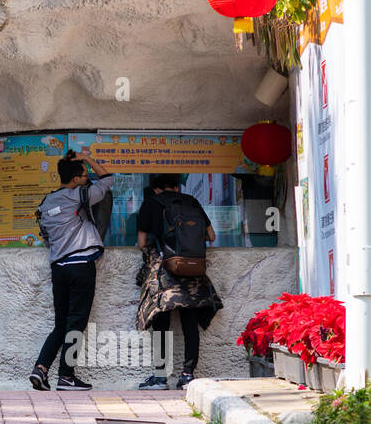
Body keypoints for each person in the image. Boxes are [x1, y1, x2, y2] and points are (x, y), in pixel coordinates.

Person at [29, 150, 114, 391]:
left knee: (61, 323)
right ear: (75, 179)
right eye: (84, 175)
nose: (87, 177)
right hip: (80, 265)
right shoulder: (79, 195)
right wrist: (87, 158)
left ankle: (41, 368)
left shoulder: (47, 203)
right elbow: (108, 180)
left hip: (59, 268)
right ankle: (66, 376)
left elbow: (46, 237)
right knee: (76, 322)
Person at [135, 174, 224, 389]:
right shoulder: (191, 202)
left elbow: (141, 243)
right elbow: (211, 236)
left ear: (156, 189)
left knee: (161, 323)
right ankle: (187, 375)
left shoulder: (151, 203)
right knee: (190, 324)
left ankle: (160, 377)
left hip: (164, 271)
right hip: (193, 271)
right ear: (177, 186)